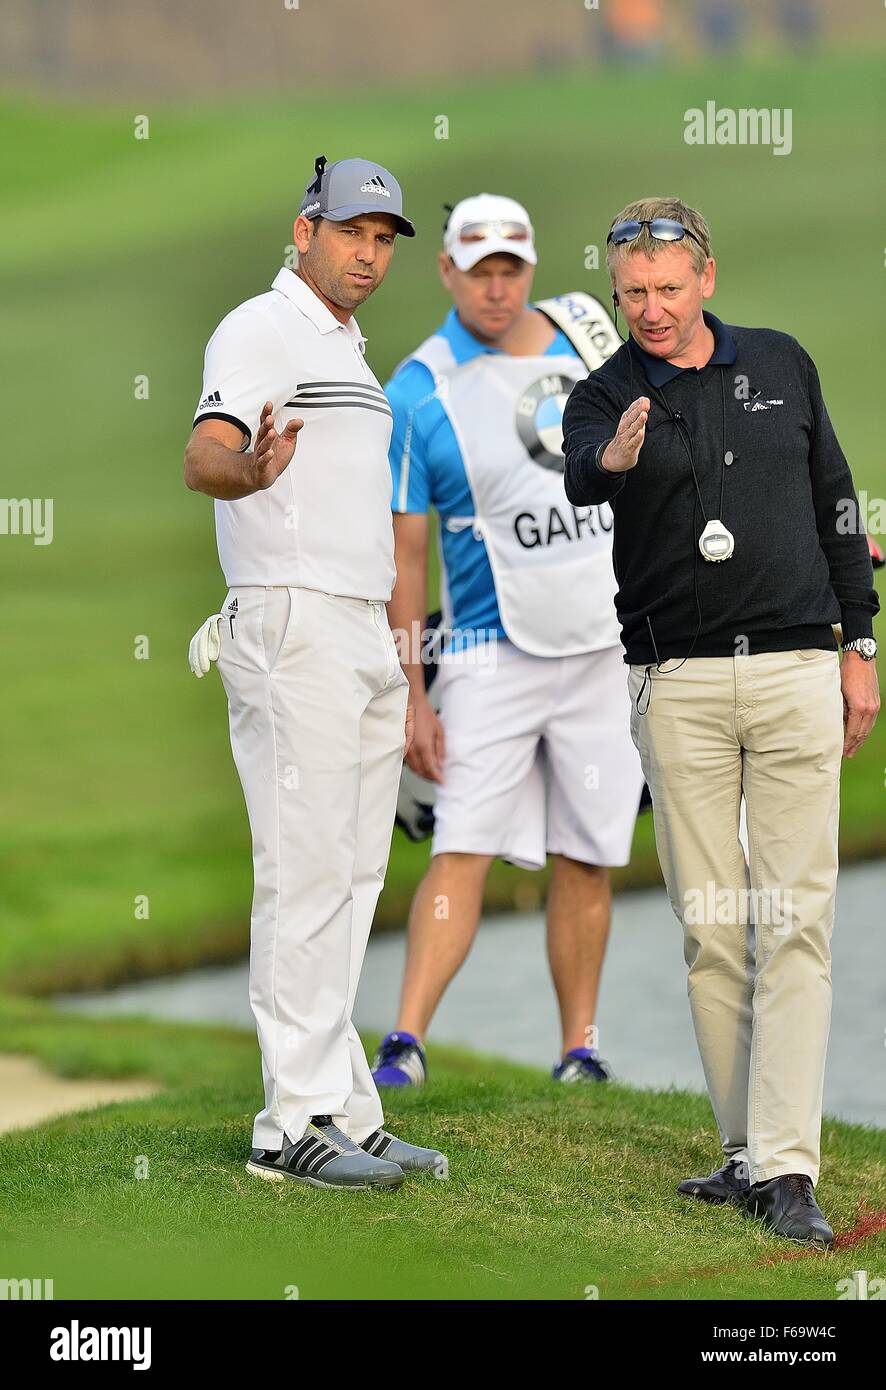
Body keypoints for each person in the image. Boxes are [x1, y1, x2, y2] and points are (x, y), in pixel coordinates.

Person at [563, 196, 880, 1246]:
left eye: (666, 288)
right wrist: (613, 459)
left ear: (706, 277)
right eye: (632, 295)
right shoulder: (606, 392)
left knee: (794, 920)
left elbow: (836, 500)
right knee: (712, 928)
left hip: (795, 665)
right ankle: (747, 1153)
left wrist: (860, 646)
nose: (651, 310)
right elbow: (578, 474)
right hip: (676, 683)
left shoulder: (780, 364)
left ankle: (789, 1171)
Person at [183, 155, 446, 1190]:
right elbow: (205, 454)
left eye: (383, 241)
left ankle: (343, 1103)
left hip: (358, 633)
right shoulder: (262, 326)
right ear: (306, 230)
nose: (369, 256)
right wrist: (249, 469)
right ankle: (286, 1126)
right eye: (352, 235)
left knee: (348, 874)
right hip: (291, 622)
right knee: (302, 871)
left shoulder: (344, 346)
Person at [372, 193, 645, 1090]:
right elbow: (406, 558)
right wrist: (413, 693)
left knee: (590, 849)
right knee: (463, 843)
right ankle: (405, 1042)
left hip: (605, 642)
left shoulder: (586, 335)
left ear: (529, 269)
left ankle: (580, 1050)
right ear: (447, 270)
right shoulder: (417, 391)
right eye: (478, 271)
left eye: (510, 270)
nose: (496, 289)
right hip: (491, 650)